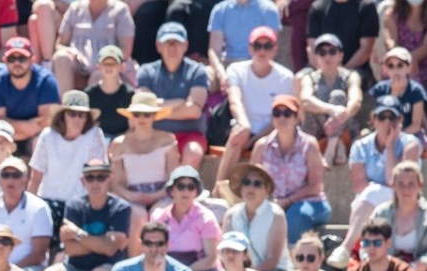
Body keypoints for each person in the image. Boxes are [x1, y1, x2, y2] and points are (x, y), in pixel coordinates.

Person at [327, 96, 422, 266]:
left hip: (403, 199)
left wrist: (390, 146)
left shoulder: (411, 144)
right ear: (373, 119)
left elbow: (396, 182)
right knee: (365, 197)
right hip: (368, 200)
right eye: (382, 117)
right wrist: (379, 189)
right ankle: (362, 253)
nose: (387, 122)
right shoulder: (360, 146)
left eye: (392, 118)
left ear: (400, 120)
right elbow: (359, 186)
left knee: (370, 194)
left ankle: (347, 248)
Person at [41, 157, 128, 271]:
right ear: (83, 181)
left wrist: (77, 234)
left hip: (107, 268)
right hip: (75, 267)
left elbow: (110, 249)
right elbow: (71, 249)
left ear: (110, 179)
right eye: (90, 177)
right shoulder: (74, 206)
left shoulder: (120, 208)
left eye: (100, 177)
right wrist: (100, 244)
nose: (95, 182)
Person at [216, 25, 294, 186]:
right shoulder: (236, 70)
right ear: (250, 48)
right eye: (257, 46)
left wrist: (255, 140)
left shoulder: (286, 77)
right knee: (237, 135)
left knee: (261, 145)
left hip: (272, 129)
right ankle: (219, 190)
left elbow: (281, 115)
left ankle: (249, 193)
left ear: (275, 49)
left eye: (267, 46)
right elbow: (234, 100)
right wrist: (245, 125)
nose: (262, 51)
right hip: (244, 126)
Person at [249, 98, 326, 253]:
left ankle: (294, 262)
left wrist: (287, 201)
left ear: (297, 118)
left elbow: (315, 186)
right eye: (277, 113)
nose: (282, 118)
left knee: (295, 215)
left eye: (287, 113)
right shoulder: (261, 146)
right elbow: (251, 180)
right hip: (273, 202)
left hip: (310, 202)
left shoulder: (309, 145)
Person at [28, 89, 108, 235]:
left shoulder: (95, 134)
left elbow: (98, 174)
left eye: (82, 114)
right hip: (48, 202)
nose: (77, 119)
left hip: (82, 204)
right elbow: (36, 177)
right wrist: (28, 209)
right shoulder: (48, 135)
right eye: (72, 114)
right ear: (62, 116)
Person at [108, 90, 178, 253]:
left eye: (147, 115)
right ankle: (135, 267)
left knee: (158, 217)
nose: (141, 119)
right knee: (138, 217)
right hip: (131, 195)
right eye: (137, 114)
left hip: (163, 194)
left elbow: (173, 177)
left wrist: (157, 194)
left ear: (154, 116)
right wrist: (133, 196)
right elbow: (116, 183)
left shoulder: (167, 139)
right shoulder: (118, 143)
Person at [135, 21, 209, 168]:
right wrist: (179, 102)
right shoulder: (146, 71)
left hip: (189, 135)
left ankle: (183, 189)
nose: (172, 47)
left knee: (193, 152)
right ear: (158, 46)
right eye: (167, 42)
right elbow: (143, 107)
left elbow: (194, 111)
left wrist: (157, 111)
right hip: (153, 134)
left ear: (186, 45)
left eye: (176, 43)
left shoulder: (197, 71)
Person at [369, 161, 427, 271]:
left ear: (420, 185)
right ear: (393, 185)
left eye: (411, 184)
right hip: (384, 270)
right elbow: (368, 245)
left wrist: (410, 268)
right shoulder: (380, 213)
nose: (406, 189)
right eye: (401, 184)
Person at [0, 156, 53, 271]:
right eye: (5, 175)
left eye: (16, 175)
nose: (10, 179)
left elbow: (39, 254)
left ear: (25, 180)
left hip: (27, 269)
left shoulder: (39, 208)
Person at [297, 31, 362, 165]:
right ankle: (338, 145)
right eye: (322, 52)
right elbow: (305, 100)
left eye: (332, 51)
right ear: (316, 57)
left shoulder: (350, 76)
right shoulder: (309, 78)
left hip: (345, 125)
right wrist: (331, 110)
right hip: (317, 128)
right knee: (316, 99)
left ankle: (331, 149)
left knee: (338, 96)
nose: (327, 56)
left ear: (340, 55)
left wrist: (341, 115)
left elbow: (356, 101)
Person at [151, 164, 219, 271]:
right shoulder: (158, 217)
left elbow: (211, 258)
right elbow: (152, 251)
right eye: (180, 186)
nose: (185, 191)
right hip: (166, 269)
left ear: (196, 192)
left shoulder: (206, 218)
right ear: (172, 191)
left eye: (191, 187)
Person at [0, 36, 59, 150]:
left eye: (22, 58)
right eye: (11, 59)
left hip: (35, 136)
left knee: (44, 140)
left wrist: (17, 127)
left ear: (32, 60)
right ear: (4, 60)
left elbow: (46, 122)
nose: (17, 63)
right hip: (5, 136)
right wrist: (27, 126)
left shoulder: (46, 81)